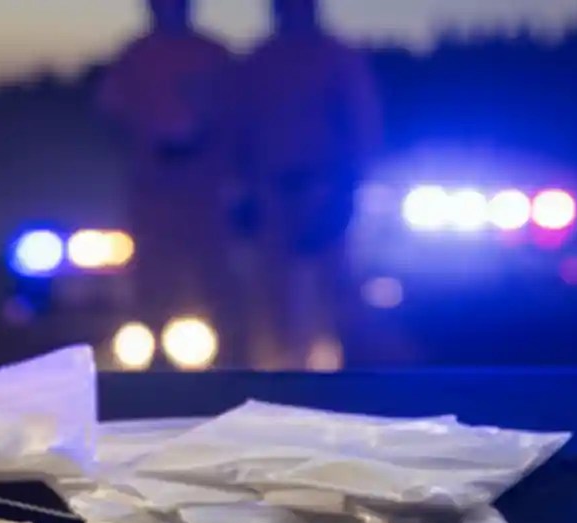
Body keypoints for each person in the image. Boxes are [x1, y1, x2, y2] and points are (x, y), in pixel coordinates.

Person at [233, 0, 383, 369]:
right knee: (274, 293)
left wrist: (346, 184)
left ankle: (348, 374)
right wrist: (242, 188)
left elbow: (362, 122)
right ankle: (279, 375)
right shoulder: (261, 61)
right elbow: (239, 127)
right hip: (273, 191)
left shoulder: (335, 58)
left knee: (338, 289)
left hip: (326, 186)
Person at [98, 0, 239, 358]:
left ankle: (232, 367)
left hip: (205, 194)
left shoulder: (213, 56)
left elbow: (240, 118)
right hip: (152, 193)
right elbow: (111, 116)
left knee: (217, 281)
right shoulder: (136, 55)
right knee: (152, 284)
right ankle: (153, 368)